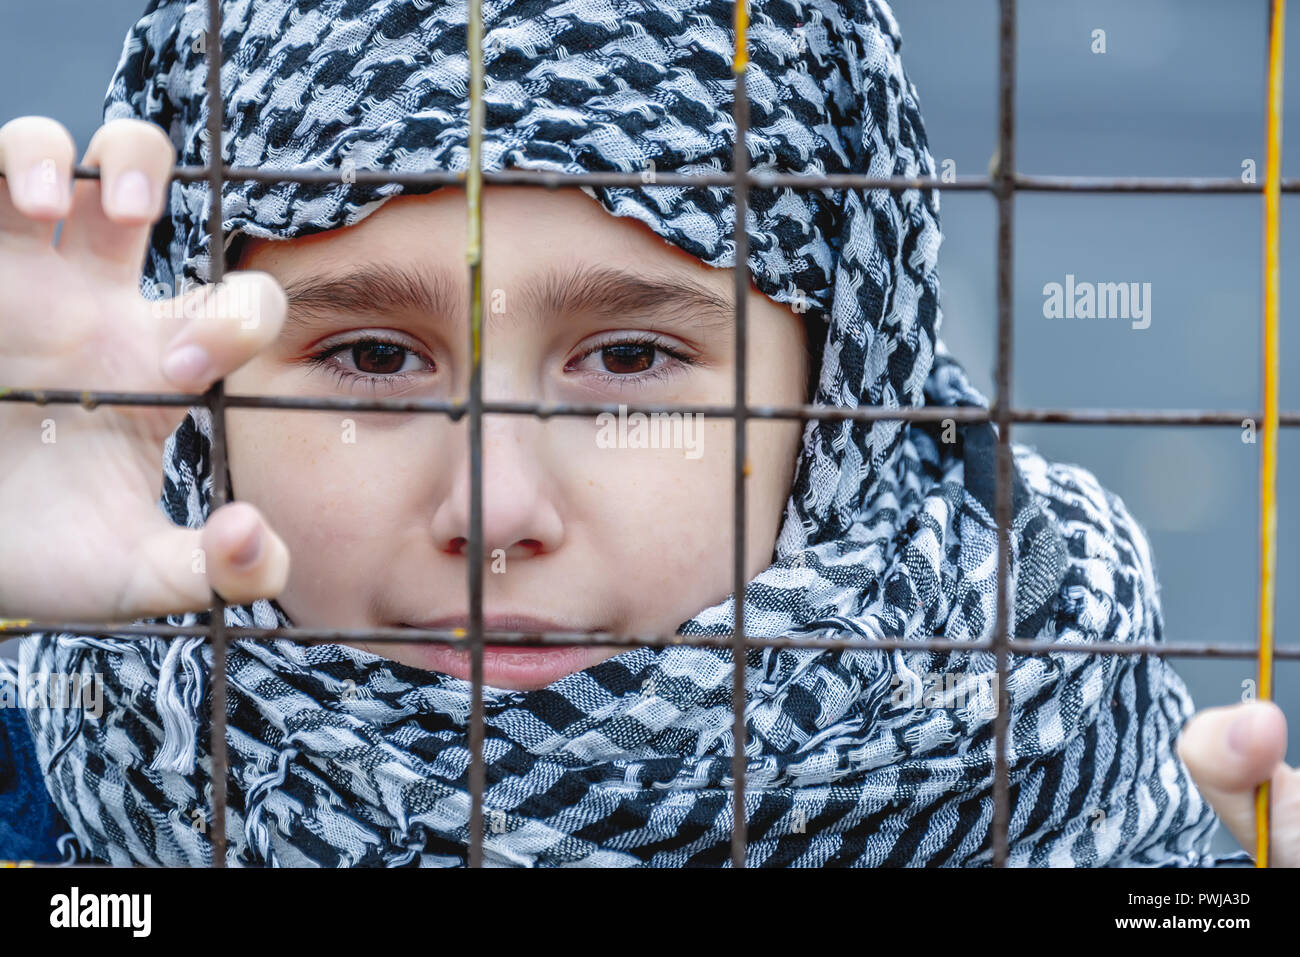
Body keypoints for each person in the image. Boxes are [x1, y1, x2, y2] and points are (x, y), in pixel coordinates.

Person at [0, 0, 1292, 867]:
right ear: (203, 405)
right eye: (374, 357)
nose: (495, 509)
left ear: (839, 392)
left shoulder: (1103, 803)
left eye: (628, 357)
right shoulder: (56, 776)